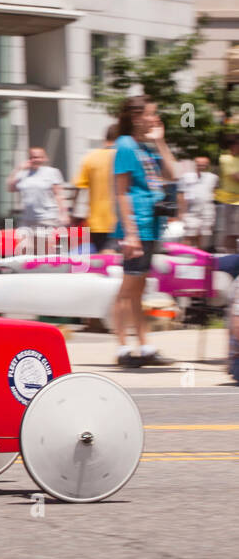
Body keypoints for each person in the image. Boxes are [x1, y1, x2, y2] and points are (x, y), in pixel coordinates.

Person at [112, 95, 176, 367]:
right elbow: (122, 192)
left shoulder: (147, 148)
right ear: (137, 117)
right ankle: (122, 348)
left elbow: (173, 174)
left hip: (150, 226)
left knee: (138, 289)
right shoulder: (125, 146)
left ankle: (145, 345)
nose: (155, 118)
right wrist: (131, 233)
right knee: (127, 288)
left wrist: (160, 141)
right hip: (136, 226)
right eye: (152, 113)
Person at [73, 124, 119, 252]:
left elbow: (79, 188)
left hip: (97, 222)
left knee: (105, 259)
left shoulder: (90, 158)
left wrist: (72, 214)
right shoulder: (124, 157)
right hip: (121, 220)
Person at [176, 154, 218, 251]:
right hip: (191, 209)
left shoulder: (213, 177)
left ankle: (199, 255)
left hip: (207, 208)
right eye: (199, 164)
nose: (201, 166)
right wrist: (181, 211)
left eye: (204, 164)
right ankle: (183, 255)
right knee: (189, 232)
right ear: (195, 164)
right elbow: (180, 194)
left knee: (203, 233)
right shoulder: (186, 176)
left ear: (208, 165)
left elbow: (215, 191)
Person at [215, 134, 239, 254]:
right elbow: (236, 177)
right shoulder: (225, 158)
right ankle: (231, 257)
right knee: (232, 233)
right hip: (231, 201)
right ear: (233, 146)